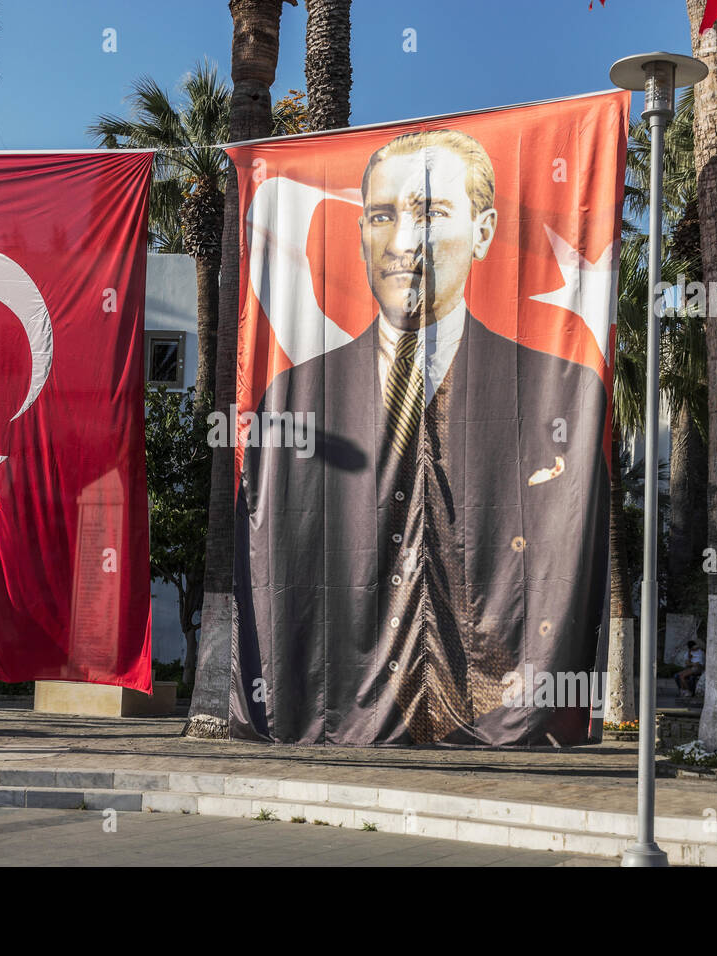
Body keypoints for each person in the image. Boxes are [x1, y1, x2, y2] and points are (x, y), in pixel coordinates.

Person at [234, 128, 610, 746]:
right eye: (382, 215)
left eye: (431, 213)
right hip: (337, 715)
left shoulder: (558, 392)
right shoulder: (296, 398)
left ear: (484, 231)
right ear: (360, 236)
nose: (404, 241)